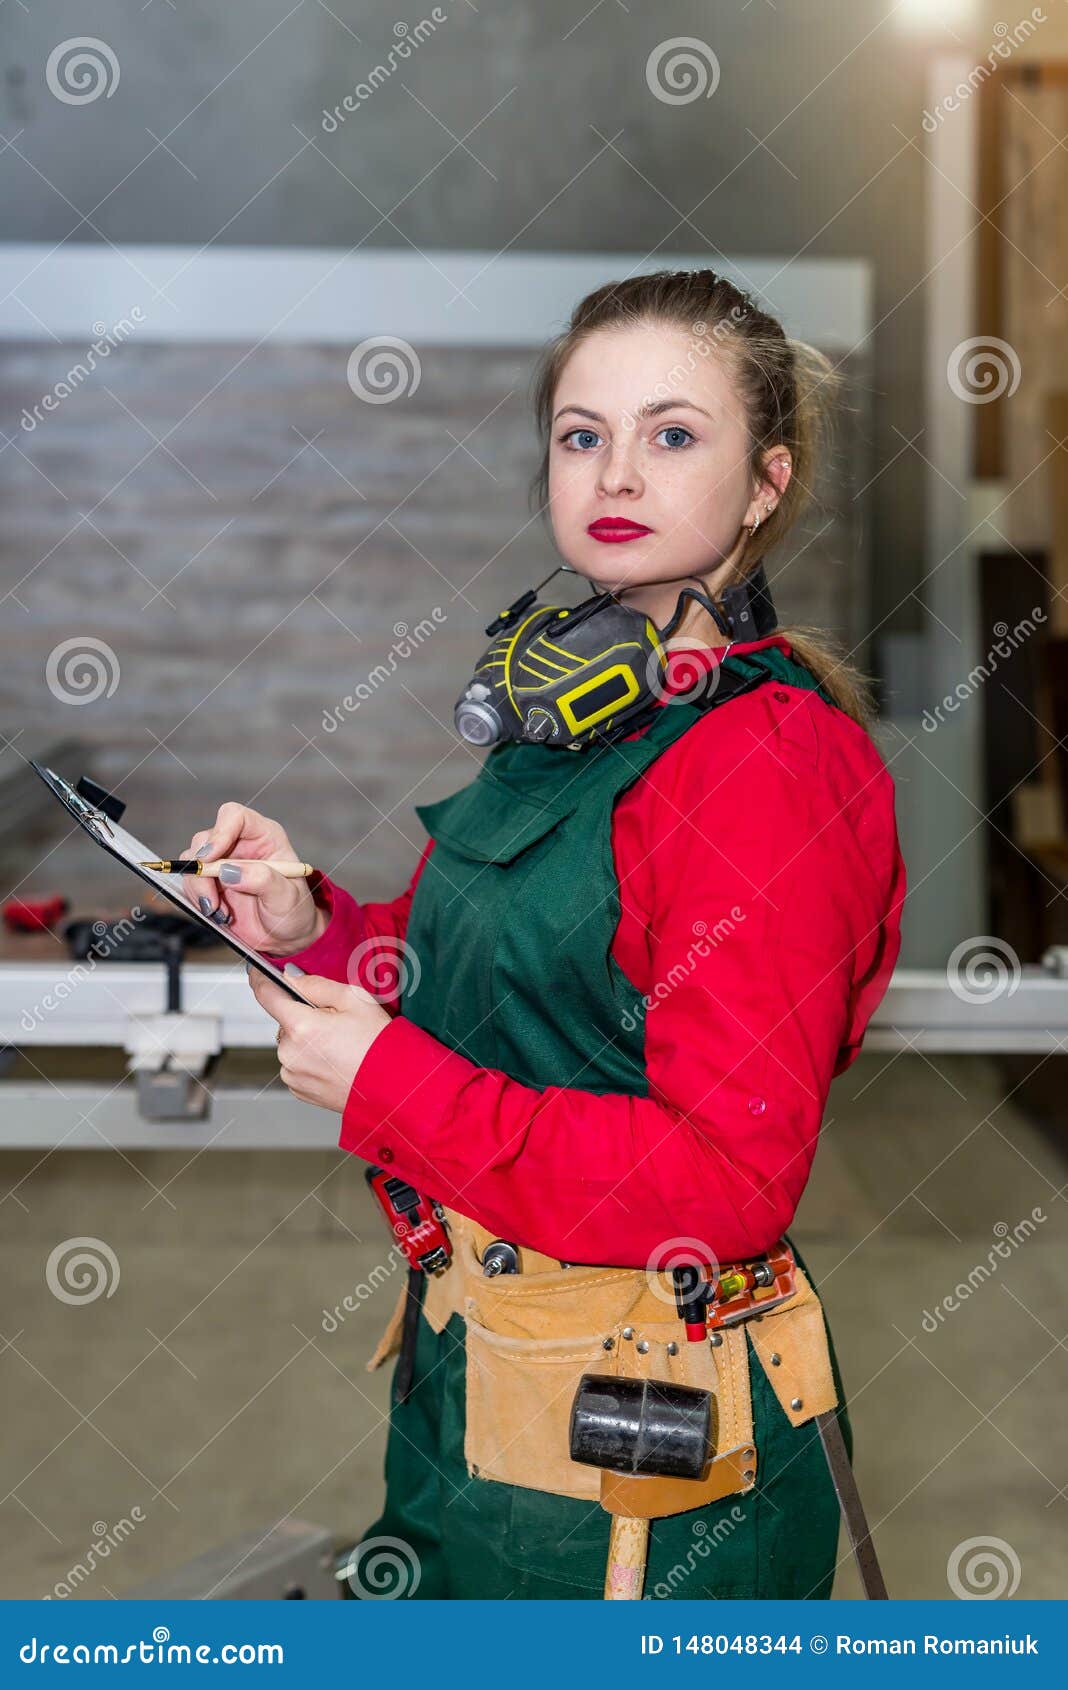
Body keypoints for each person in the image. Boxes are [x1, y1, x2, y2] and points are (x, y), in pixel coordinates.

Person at [180, 269, 906, 1600]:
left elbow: (727, 1179)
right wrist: (314, 923)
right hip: (483, 1365)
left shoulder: (761, 765)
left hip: (645, 1458)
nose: (614, 469)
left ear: (765, 484)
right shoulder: (587, 713)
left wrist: (389, 1084)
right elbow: (502, 968)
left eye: (672, 434)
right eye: (582, 434)